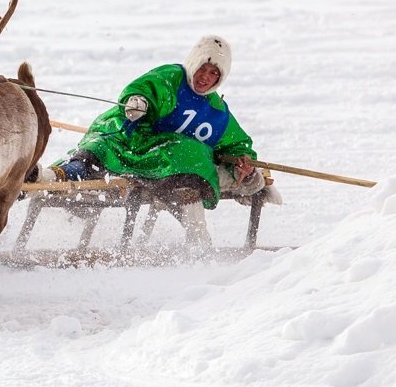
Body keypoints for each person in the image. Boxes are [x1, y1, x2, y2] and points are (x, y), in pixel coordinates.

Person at [42, 35, 267, 250]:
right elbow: (145, 89)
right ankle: (50, 177)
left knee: (193, 155)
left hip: (164, 163)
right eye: (202, 68)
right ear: (193, 62)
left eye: (213, 73)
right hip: (129, 139)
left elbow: (237, 146)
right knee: (96, 152)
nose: (205, 77)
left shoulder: (217, 112)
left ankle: (198, 244)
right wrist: (138, 102)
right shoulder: (171, 77)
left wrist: (243, 164)